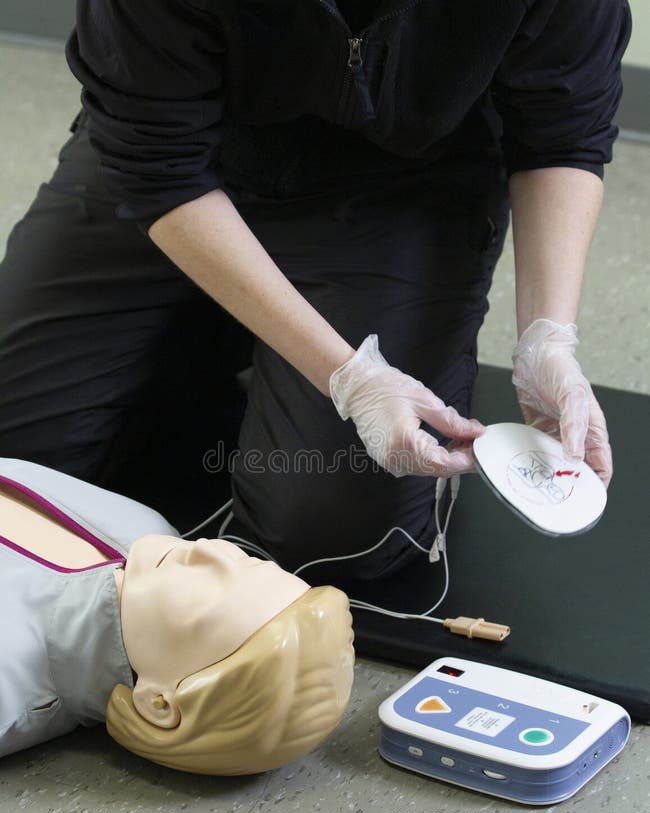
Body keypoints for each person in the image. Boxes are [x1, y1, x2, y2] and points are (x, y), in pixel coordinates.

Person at [0, 1, 631, 577]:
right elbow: (154, 163)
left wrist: (549, 336)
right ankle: (213, 345)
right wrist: (349, 376)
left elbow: (563, 130)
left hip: (404, 183)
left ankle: (240, 354)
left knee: (329, 537)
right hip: (184, 146)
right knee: (15, 460)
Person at [0, 457, 354, 773]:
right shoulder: (144, 530)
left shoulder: (8, 682)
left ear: (159, 704)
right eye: (247, 561)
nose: (209, 550)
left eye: (209, 593)